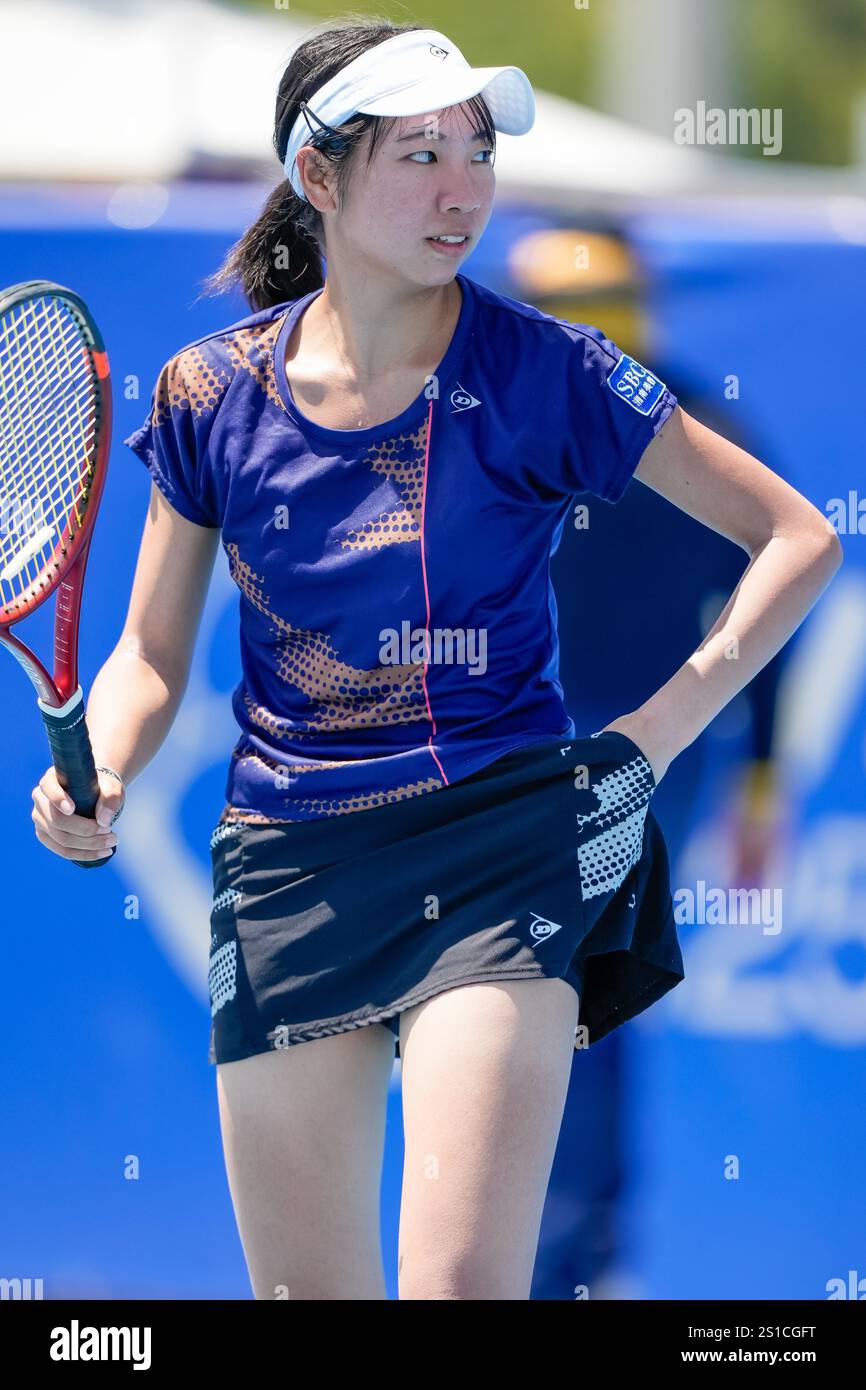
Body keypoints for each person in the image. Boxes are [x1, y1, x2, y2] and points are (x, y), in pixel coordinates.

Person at [30, 17, 842, 1300]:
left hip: (500, 846)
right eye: (419, 155)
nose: (463, 189)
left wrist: (649, 737)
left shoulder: (552, 368)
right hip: (289, 861)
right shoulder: (206, 395)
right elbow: (144, 654)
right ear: (318, 174)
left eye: (476, 152)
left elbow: (797, 539)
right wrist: (107, 772)